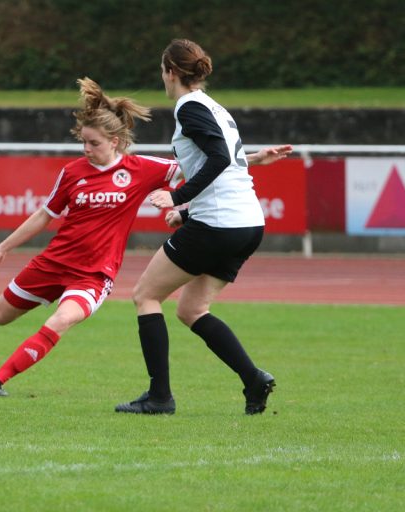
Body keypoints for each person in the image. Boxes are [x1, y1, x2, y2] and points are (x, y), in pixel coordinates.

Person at [114, 39, 293, 415]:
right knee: (192, 309)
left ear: (171, 72)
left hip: (219, 223)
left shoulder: (188, 107)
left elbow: (218, 157)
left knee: (146, 295)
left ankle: (159, 397)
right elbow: (226, 160)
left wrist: (178, 198)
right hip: (247, 223)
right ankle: (253, 379)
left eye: (162, 71)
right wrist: (255, 159)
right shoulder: (213, 106)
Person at [0, 77, 182, 397]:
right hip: (53, 262)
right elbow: (44, 215)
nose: (87, 149)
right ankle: (45, 307)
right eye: (83, 142)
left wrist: (247, 160)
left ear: (115, 141)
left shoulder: (141, 169)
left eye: (94, 143)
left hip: (93, 275)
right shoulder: (72, 172)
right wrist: (1, 249)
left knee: (61, 320)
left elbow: (201, 167)